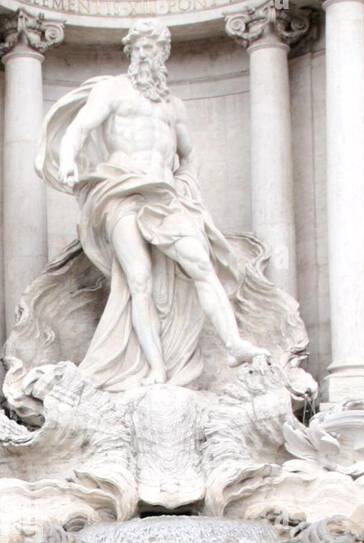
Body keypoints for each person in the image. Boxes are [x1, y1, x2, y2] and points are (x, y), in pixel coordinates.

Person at [35, 19, 271, 390]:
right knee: (138, 280)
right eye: (141, 48)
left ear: (164, 55)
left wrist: (186, 185)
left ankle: (234, 344)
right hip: (120, 191)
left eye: (155, 48)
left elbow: (189, 155)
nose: (148, 54)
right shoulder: (113, 91)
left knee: (201, 264)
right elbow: (78, 130)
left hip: (164, 196)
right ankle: (156, 370)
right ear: (130, 53)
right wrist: (67, 161)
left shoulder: (174, 107)